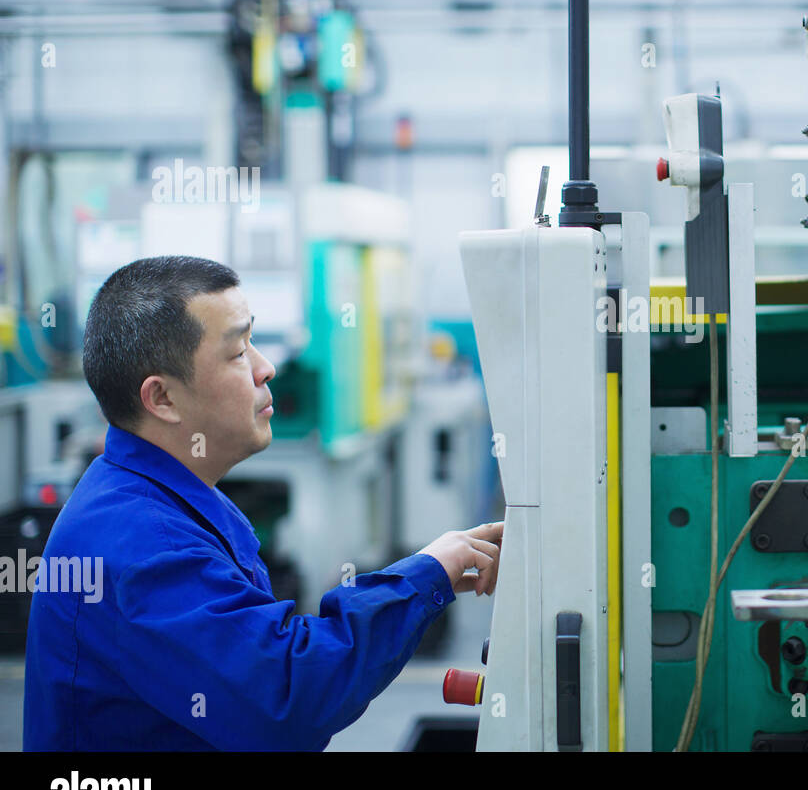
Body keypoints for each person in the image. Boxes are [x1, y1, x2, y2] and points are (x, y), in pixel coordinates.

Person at [23, 255, 503, 750]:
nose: (265, 367)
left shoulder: (164, 496)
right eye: (236, 353)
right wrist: (424, 576)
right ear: (162, 399)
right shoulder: (144, 548)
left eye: (254, 341)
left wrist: (428, 570)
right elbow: (286, 696)